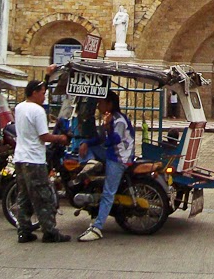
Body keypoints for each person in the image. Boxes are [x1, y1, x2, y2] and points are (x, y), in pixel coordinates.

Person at [14, 75, 70, 243]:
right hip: (34, 160)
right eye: (43, 93)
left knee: (23, 196)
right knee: (43, 197)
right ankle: (50, 232)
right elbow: (44, 136)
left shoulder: (19, 108)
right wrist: (60, 138)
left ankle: (23, 231)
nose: (44, 96)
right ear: (34, 93)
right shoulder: (38, 110)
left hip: (20, 157)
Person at [78, 90, 136, 242]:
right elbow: (101, 138)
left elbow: (113, 140)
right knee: (85, 148)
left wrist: (108, 126)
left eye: (100, 103)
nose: (98, 106)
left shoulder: (119, 121)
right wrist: (86, 143)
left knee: (108, 193)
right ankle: (90, 164)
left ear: (109, 104)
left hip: (119, 158)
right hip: (110, 153)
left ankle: (97, 228)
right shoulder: (110, 118)